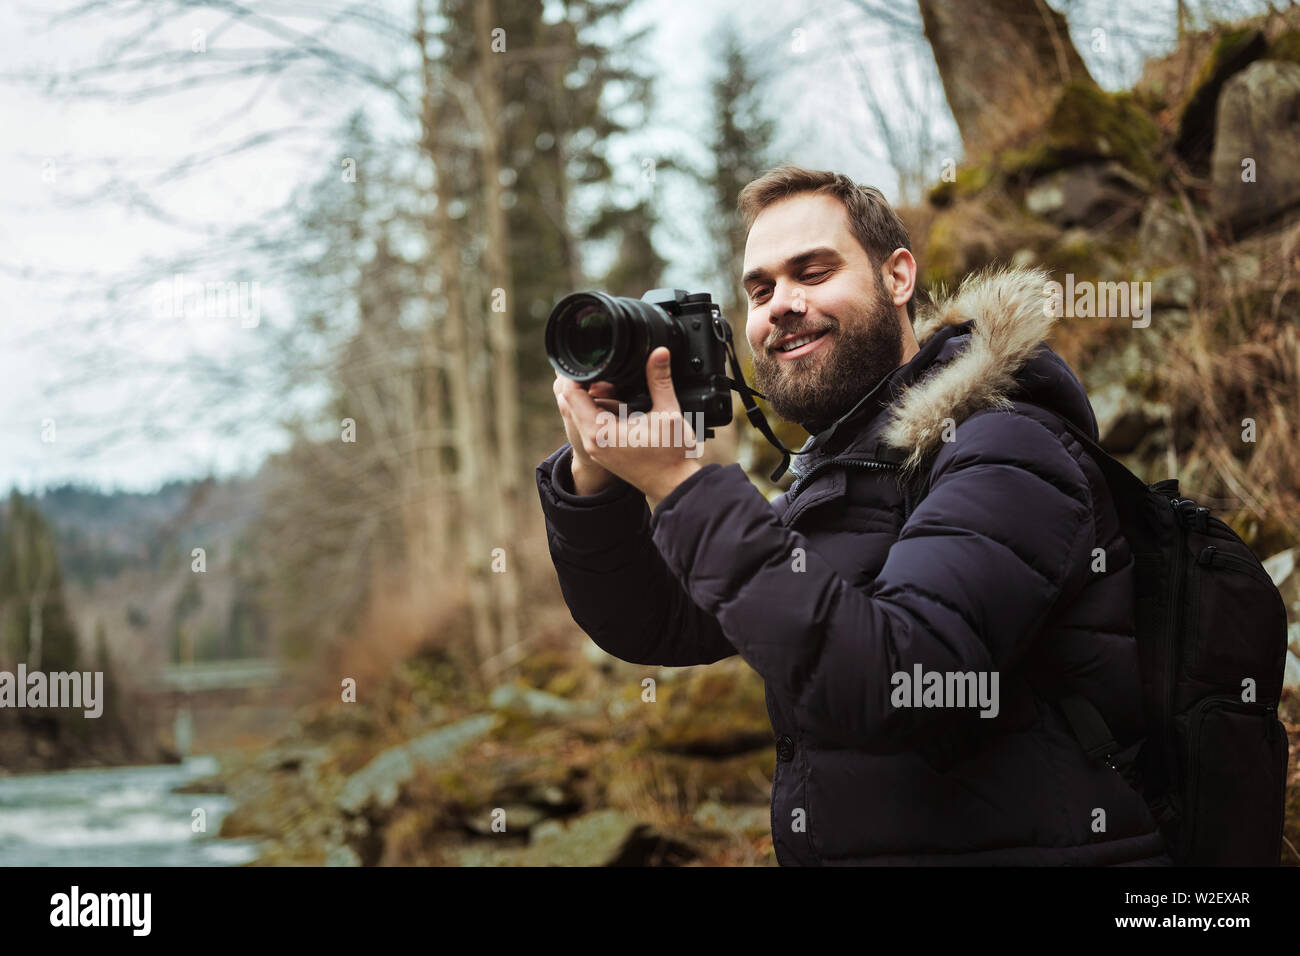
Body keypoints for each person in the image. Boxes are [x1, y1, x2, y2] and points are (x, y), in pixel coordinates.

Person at [536, 163, 1172, 865]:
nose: (781, 303)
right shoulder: (838, 477)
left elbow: (901, 683)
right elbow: (654, 620)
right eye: (761, 288)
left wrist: (683, 486)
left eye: (812, 272)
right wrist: (595, 482)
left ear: (898, 277)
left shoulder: (1006, 444)